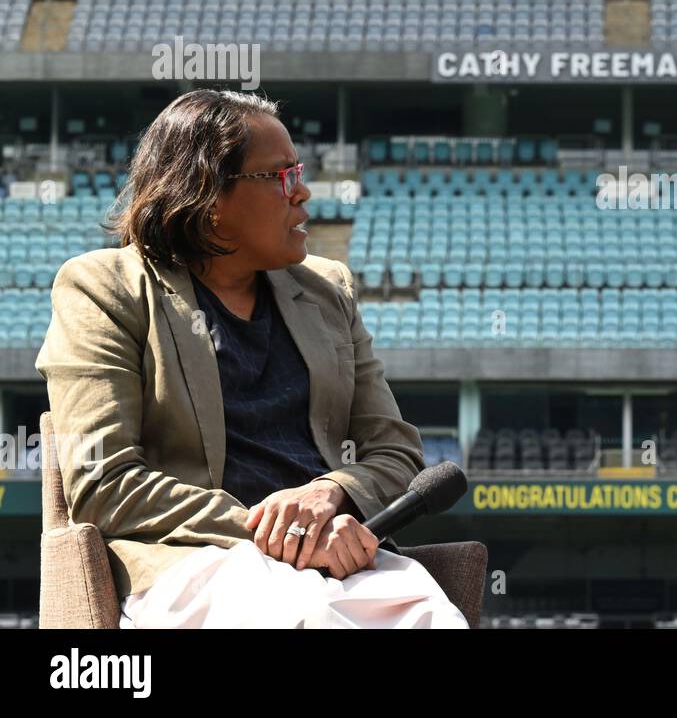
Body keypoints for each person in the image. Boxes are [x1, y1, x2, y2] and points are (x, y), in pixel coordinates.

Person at [36, 88, 467, 628]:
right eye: (282, 176)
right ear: (209, 197)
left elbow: (396, 451)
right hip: (198, 563)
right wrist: (280, 531)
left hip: (342, 562)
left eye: (300, 172)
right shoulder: (104, 288)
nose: (304, 192)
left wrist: (333, 493)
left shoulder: (329, 292)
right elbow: (103, 482)